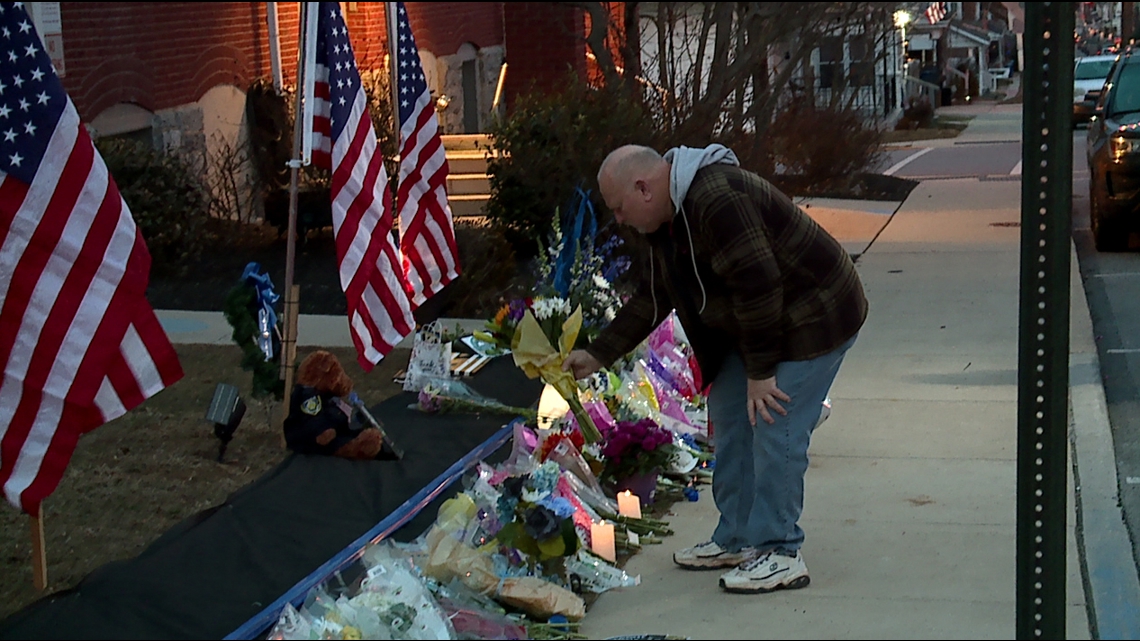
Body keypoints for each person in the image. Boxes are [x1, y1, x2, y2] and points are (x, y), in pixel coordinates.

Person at [562, 143, 867, 594]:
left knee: (773, 422)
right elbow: (654, 294)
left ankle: (779, 551)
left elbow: (758, 285)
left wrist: (762, 373)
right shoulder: (665, 221)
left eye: (620, 208)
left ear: (644, 188)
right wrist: (600, 352)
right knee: (729, 414)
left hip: (816, 313)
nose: (620, 220)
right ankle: (738, 536)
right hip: (757, 324)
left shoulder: (716, 199)